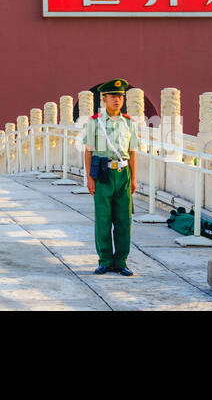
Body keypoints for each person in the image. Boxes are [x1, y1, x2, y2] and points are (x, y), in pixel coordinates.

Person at [81, 78, 139, 276]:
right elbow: (88, 151)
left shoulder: (129, 123)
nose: (117, 100)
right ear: (104, 99)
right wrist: (89, 178)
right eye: (113, 97)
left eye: (120, 97)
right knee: (103, 220)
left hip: (123, 175)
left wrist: (133, 179)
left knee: (124, 220)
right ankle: (105, 260)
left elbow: (132, 153)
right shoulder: (94, 123)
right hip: (103, 175)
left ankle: (121, 261)